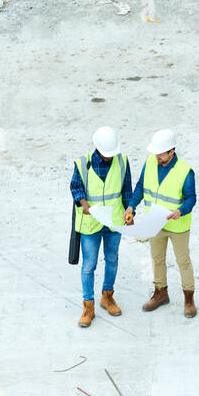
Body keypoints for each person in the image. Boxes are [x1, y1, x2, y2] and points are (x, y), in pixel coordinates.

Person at [126, 129, 197, 318]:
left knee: (183, 261)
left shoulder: (185, 171)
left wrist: (181, 210)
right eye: (156, 152)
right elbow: (141, 186)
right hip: (155, 223)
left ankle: (189, 299)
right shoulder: (150, 162)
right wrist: (131, 206)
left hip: (177, 226)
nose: (157, 156)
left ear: (171, 151)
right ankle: (160, 293)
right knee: (157, 260)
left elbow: (191, 198)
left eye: (161, 153)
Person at [70, 126, 132, 328]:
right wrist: (84, 204)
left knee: (112, 259)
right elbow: (75, 187)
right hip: (91, 222)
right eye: (106, 154)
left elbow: (126, 189)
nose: (109, 157)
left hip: (113, 221)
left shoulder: (122, 161)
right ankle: (88, 307)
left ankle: (108, 296)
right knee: (89, 265)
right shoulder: (82, 164)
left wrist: (130, 212)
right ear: (97, 148)